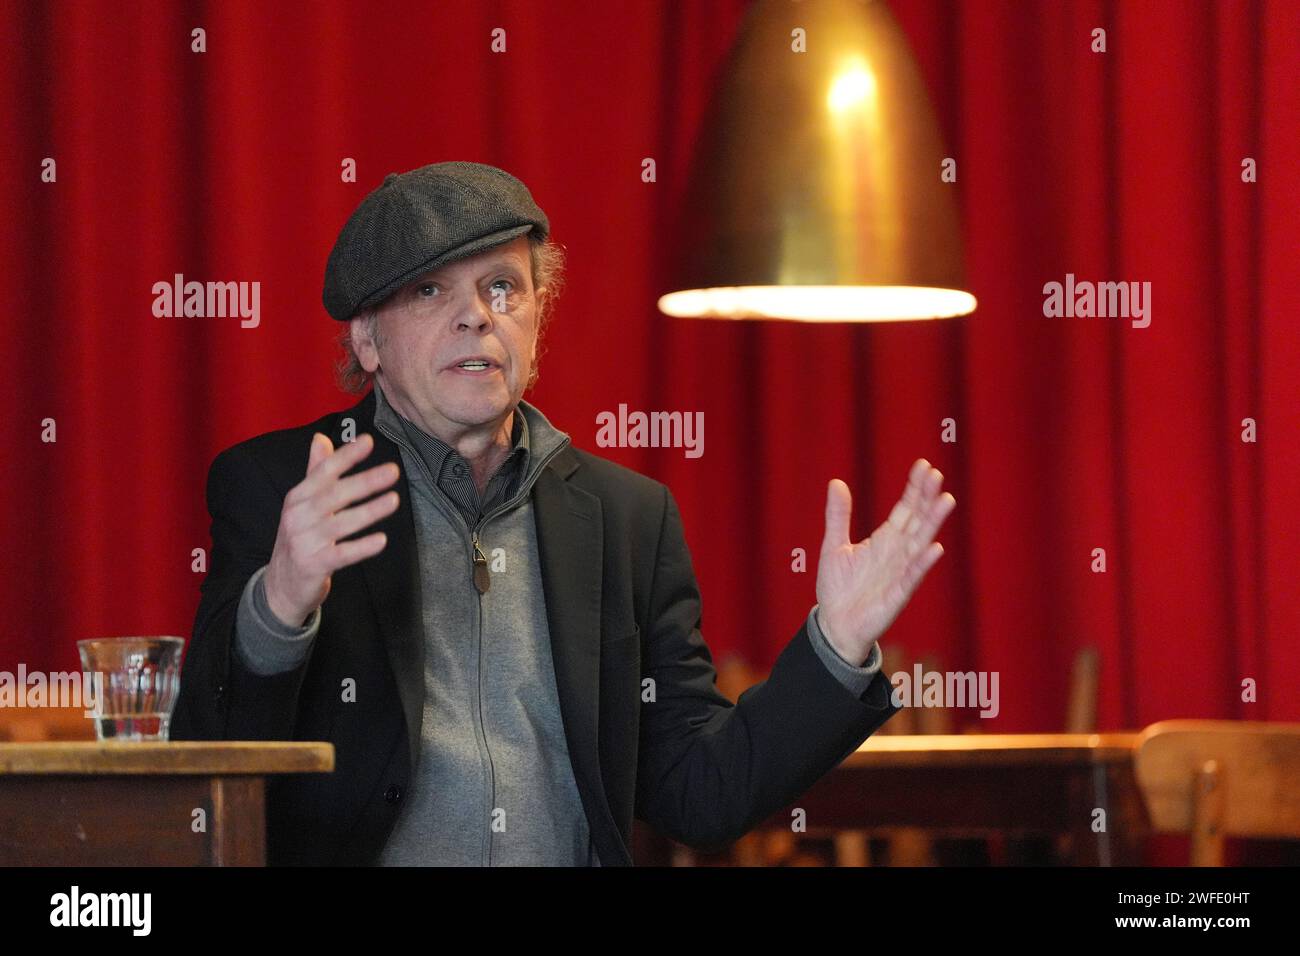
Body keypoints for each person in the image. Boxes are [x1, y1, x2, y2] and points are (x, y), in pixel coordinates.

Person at [170, 161, 956, 866]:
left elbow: (700, 795)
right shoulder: (282, 488)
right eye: (431, 290)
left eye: (502, 288)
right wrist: (278, 604)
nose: (477, 316)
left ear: (537, 320)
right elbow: (204, 767)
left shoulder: (627, 518)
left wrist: (836, 648)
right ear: (367, 340)